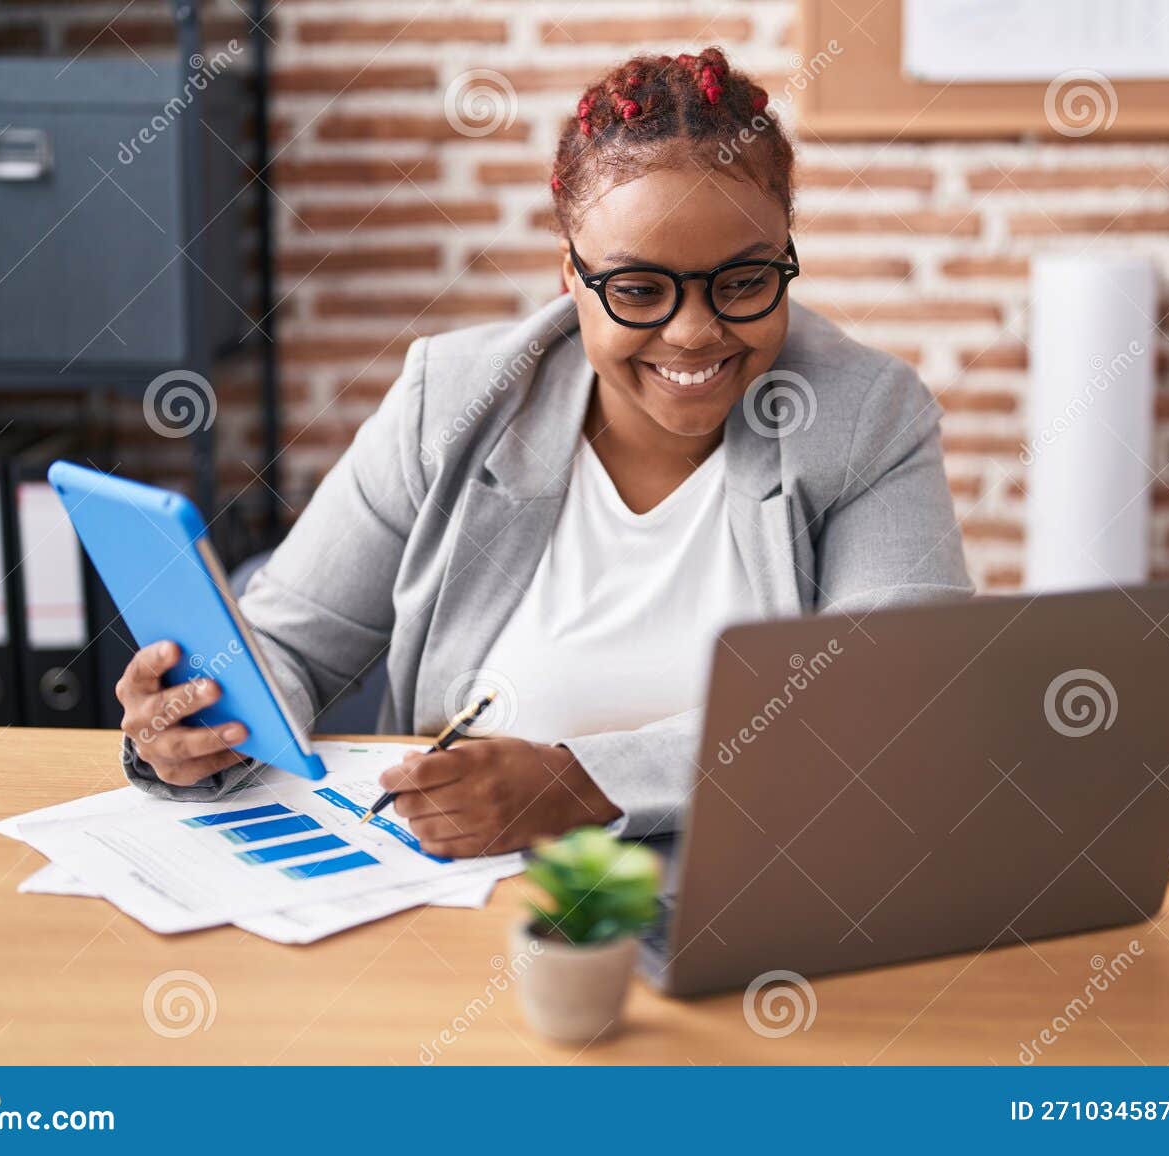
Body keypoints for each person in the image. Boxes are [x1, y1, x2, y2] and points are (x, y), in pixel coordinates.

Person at [114, 46, 971, 857]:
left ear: (787, 256)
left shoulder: (867, 416)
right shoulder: (450, 400)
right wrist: (206, 720)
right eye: (638, 288)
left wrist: (578, 785)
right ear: (571, 276)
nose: (694, 331)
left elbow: (886, 701)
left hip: (756, 887)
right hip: (465, 897)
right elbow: (292, 648)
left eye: (744, 281)